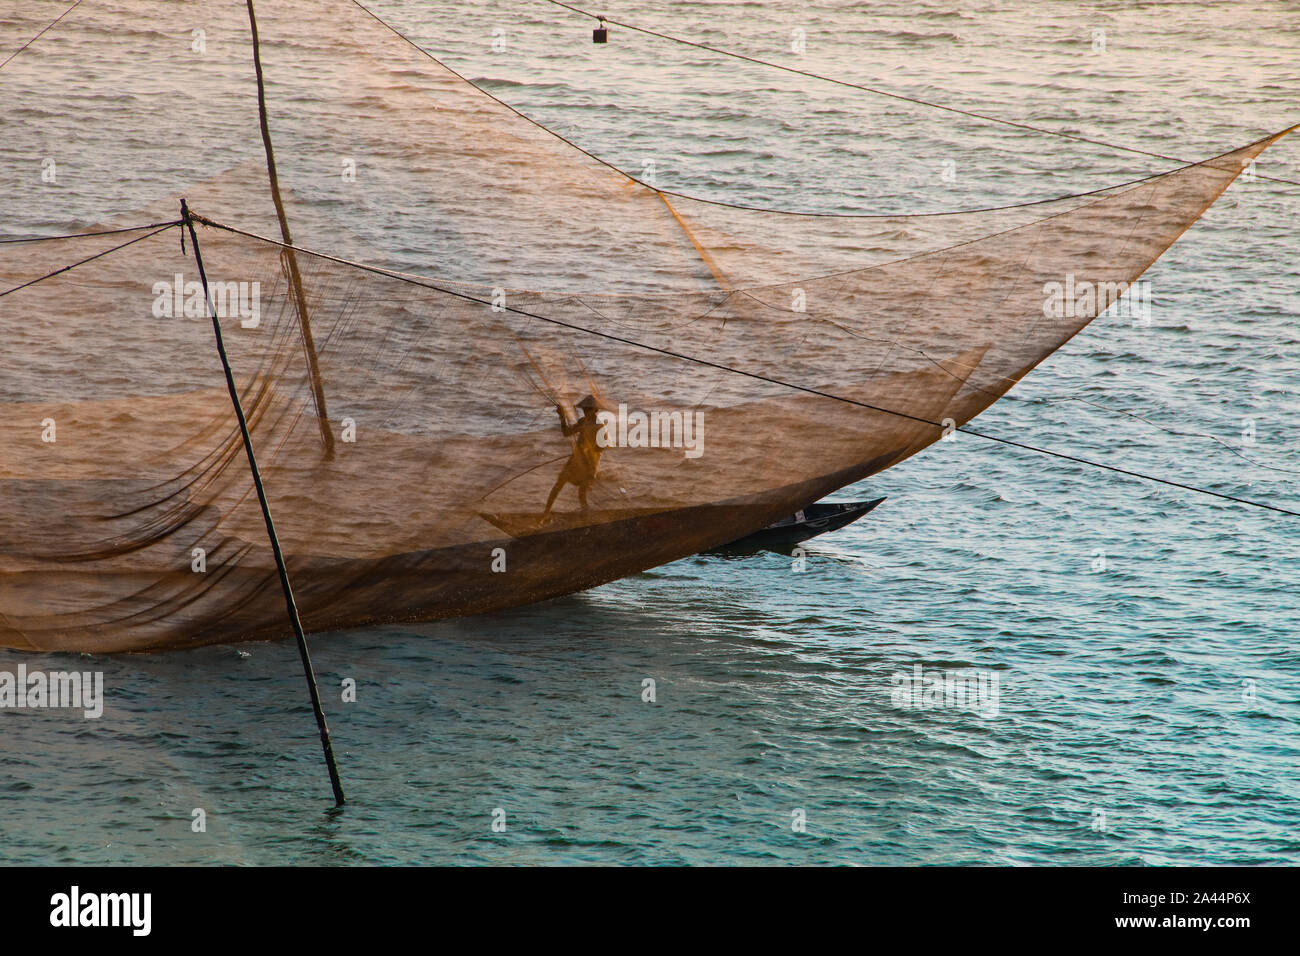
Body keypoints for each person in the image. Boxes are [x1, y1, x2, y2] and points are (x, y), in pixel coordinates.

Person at [543, 394, 605, 516]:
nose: (586, 412)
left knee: (582, 492)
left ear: (595, 410)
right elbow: (566, 433)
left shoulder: (600, 426)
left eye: (588, 409)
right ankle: (545, 513)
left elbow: (601, 447)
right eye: (584, 410)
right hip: (576, 460)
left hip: (589, 463)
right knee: (558, 484)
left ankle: (586, 514)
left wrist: (586, 450)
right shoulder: (582, 422)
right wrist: (562, 417)